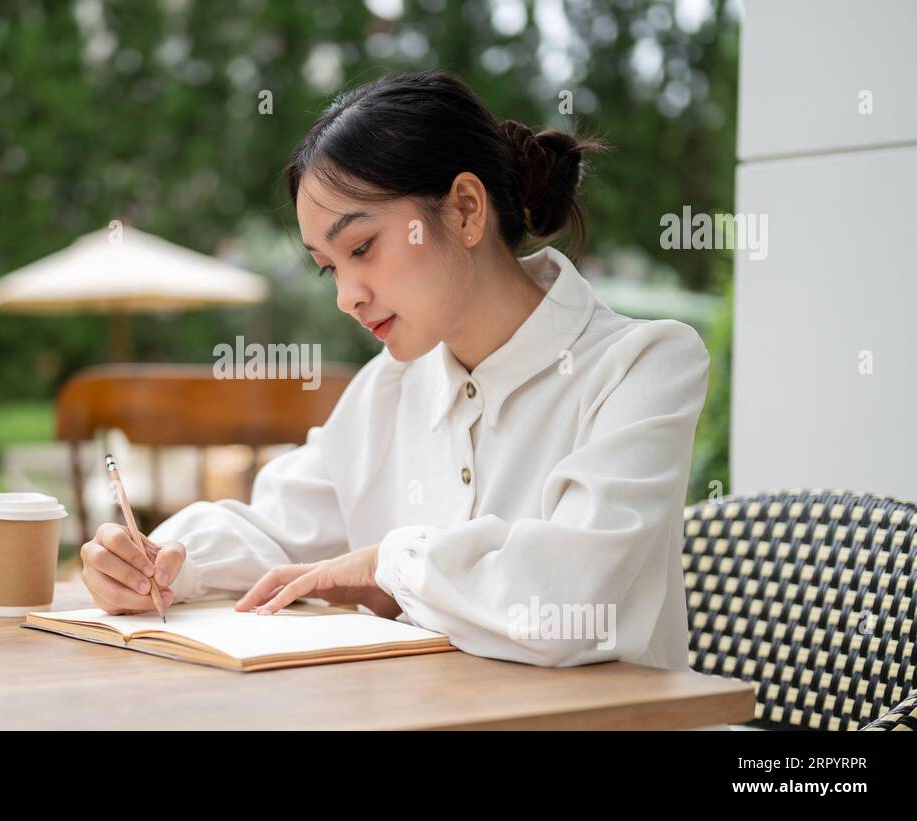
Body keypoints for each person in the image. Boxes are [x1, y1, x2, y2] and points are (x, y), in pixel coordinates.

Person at [79, 70, 711, 672]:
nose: (346, 296)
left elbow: (570, 600)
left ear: (465, 209)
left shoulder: (643, 366)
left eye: (361, 248)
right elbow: (279, 527)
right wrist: (161, 563)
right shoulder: (390, 386)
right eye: (329, 266)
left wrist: (390, 564)